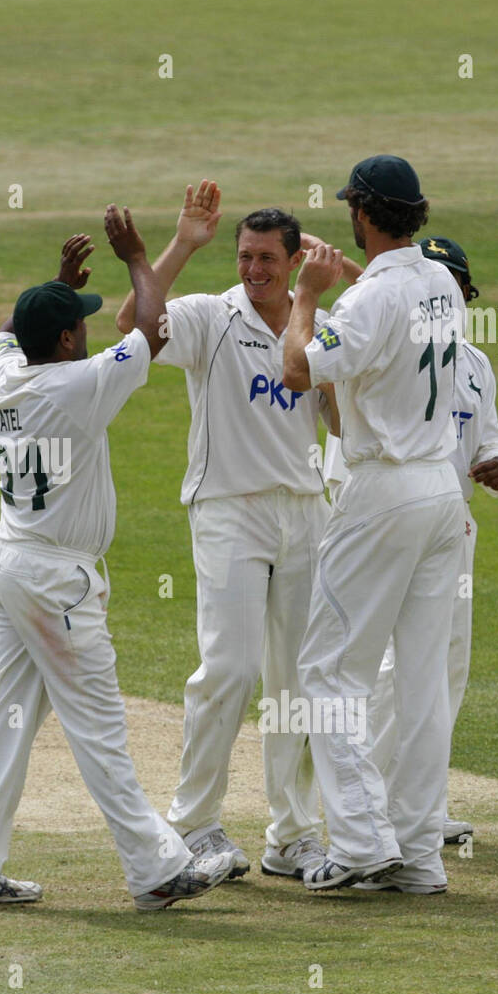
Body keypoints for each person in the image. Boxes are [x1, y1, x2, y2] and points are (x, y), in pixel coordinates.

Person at [0, 207, 234, 912]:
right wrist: (137, 257)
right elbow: (151, 332)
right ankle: (157, 868)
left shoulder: (2, 373)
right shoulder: (77, 386)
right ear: (67, 339)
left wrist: (54, 285)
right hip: (53, 580)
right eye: (79, 322)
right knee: (98, 726)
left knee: (5, 721)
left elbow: (10, 332)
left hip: (11, 562)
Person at [115, 183, 339, 882]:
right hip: (227, 510)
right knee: (229, 670)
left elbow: (340, 424)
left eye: (268, 259)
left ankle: (292, 834)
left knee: (297, 680)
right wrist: (182, 243)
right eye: (245, 257)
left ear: (296, 258)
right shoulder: (212, 316)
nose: (254, 270)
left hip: (305, 511)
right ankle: (193, 824)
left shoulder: (316, 322)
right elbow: (134, 328)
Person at [282, 155, 465, 894]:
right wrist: (353, 285)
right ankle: (419, 857)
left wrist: (305, 297)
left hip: (380, 489)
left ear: (360, 212)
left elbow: (299, 370)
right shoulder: (442, 284)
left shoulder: (363, 304)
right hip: (439, 491)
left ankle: (360, 842)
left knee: (326, 671)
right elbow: (392, 322)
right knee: (420, 684)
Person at [322, 236, 498, 856]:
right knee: (379, 670)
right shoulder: (386, 336)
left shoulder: (475, 365)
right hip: (381, 515)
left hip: (446, 526)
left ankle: (418, 815)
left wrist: (495, 461)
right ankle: (377, 810)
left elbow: (492, 439)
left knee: (439, 670)